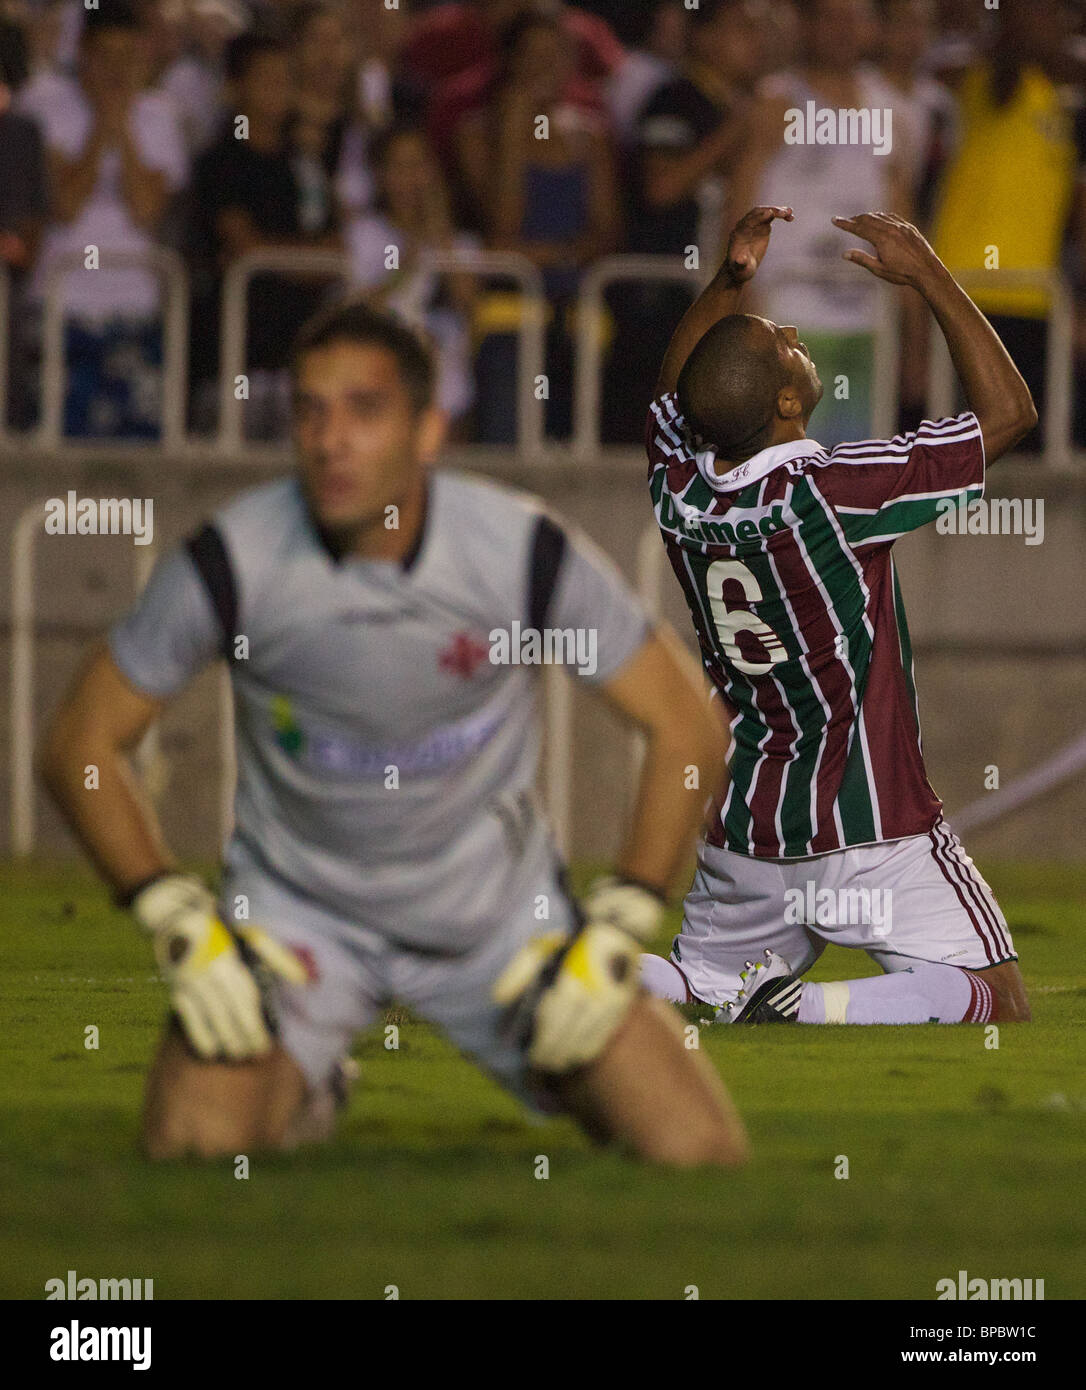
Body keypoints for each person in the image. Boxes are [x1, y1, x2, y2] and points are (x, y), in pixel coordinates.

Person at [38, 298, 748, 1168]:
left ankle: (334, 1076)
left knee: (695, 1150)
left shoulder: (518, 549)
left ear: (427, 432)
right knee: (193, 1146)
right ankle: (310, 1077)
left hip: (500, 924)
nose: (331, 438)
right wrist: (170, 909)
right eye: (310, 410)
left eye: (364, 410)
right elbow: (79, 743)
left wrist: (623, 918)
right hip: (297, 922)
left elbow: (688, 726)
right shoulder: (233, 559)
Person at [639, 204, 1034, 1027]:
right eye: (784, 341)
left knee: (698, 985)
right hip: (870, 828)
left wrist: (728, 281)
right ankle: (809, 1007)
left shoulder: (677, 488)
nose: (792, 330)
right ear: (788, 401)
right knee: (994, 999)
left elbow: (676, 394)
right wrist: (928, 271)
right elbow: (1009, 415)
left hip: (748, 827)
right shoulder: (835, 491)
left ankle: (568, 966)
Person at [17, 0, 188, 438]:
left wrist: (122, 125)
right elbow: (65, 204)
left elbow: (147, 208)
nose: (116, 69)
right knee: (55, 446)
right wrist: (102, 122)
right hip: (59, 304)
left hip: (136, 307)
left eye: (127, 57)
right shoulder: (44, 104)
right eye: (105, 56)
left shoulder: (160, 114)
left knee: (136, 448)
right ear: (82, 54)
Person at [346, 123, 478, 430]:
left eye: (418, 165)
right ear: (379, 175)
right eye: (399, 167)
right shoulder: (362, 235)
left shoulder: (460, 243)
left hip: (447, 390)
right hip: (380, 377)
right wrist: (405, 264)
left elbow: (470, 305)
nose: (410, 178)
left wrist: (439, 233)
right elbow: (359, 309)